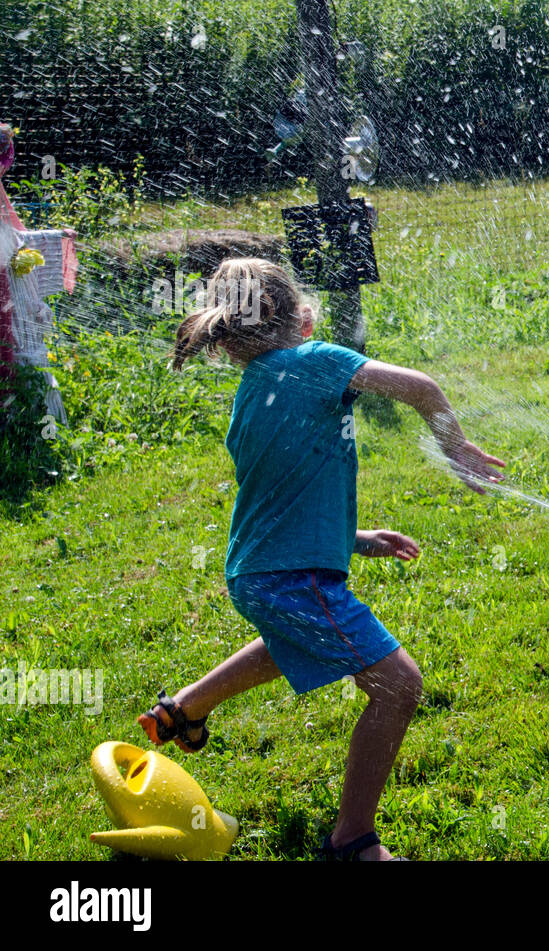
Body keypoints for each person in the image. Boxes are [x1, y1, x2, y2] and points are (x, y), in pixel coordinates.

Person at [137, 257, 504, 859]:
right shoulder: (314, 361)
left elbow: (287, 493)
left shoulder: (252, 390)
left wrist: (354, 538)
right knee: (398, 687)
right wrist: (456, 447)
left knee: (299, 641)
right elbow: (422, 388)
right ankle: (353, 841)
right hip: (291, 578)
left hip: (259, 570)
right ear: (291, 317)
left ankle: (183, 710)